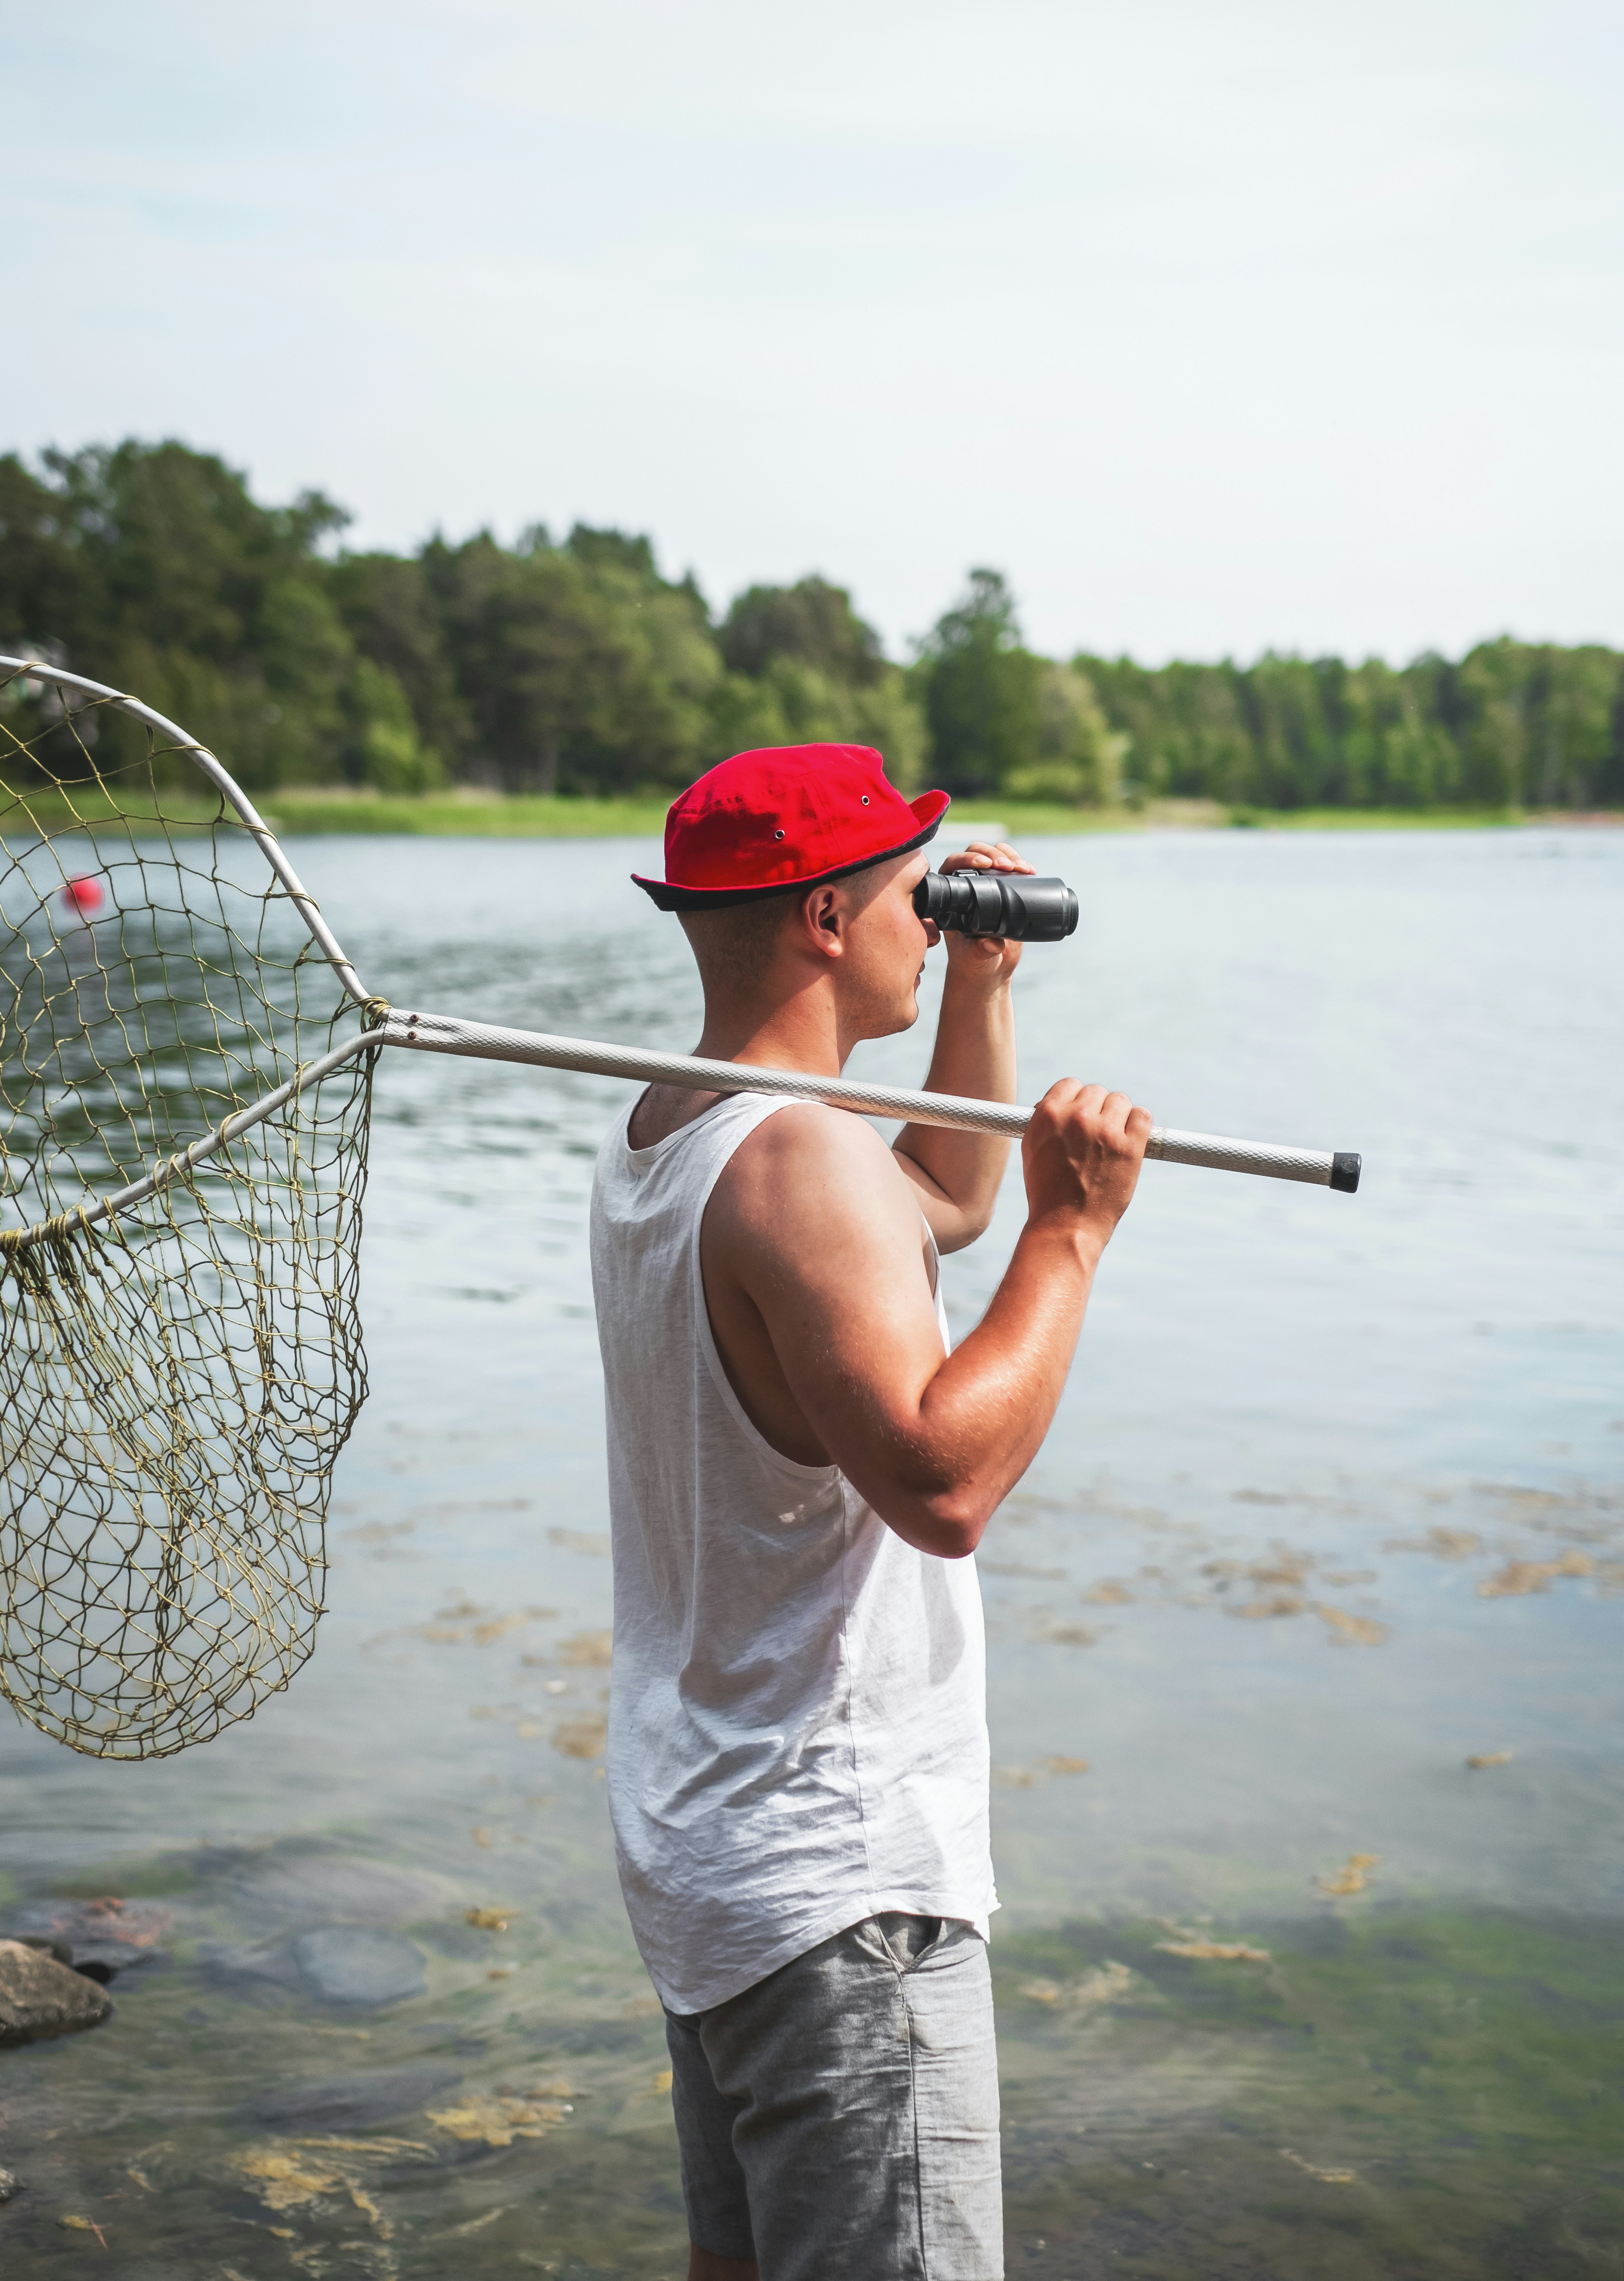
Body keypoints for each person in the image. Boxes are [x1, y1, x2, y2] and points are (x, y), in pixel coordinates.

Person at [589, 743, 1150, 2281]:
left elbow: (935, 1202)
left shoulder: (677, 1128)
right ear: (829, 918)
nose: (940, 901)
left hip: (716, 1841)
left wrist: (980, 982)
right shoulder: (797, 1163)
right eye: (924, 886)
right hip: (840, 1881)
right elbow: (941, 1482)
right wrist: (1074, 1236)